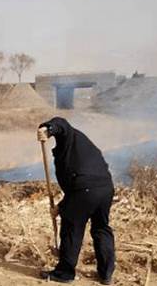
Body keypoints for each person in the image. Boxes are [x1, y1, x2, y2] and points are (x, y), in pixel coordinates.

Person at [37, 117, 115, 285]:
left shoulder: (68, 135)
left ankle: (65, 273)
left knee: (72, 226)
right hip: (106, 188)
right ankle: (106, 274)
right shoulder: (83, 145)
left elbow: (61, 124)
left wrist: (47, 129)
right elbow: (77, 187)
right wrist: (61, 206)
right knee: (101, 228)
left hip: (85, 190)